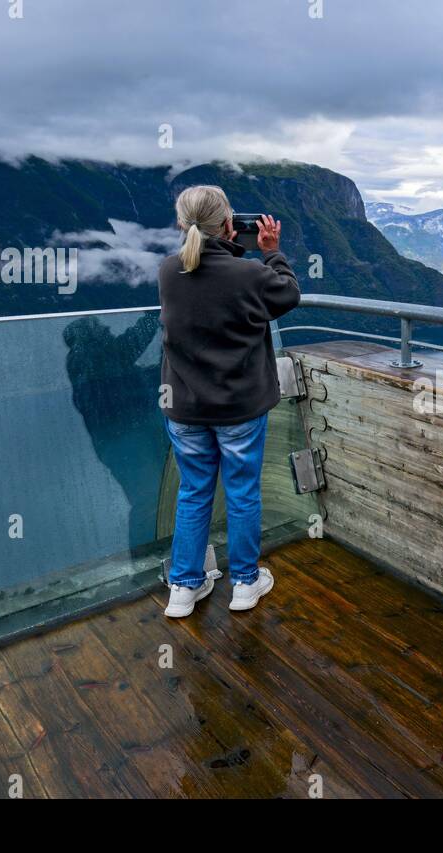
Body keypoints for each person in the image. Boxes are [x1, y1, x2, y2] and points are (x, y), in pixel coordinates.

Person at [157, 185, 300, 618]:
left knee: (194, 492)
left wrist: (230, 248)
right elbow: (287, 295)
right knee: (241, 493)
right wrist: (270, 252)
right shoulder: (249, 274)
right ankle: (244, 582)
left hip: (184, 407)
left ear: (182, 225)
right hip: (238, 408)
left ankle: (183, 587)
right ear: (228, 225)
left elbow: (203, 282)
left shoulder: (168, 271)